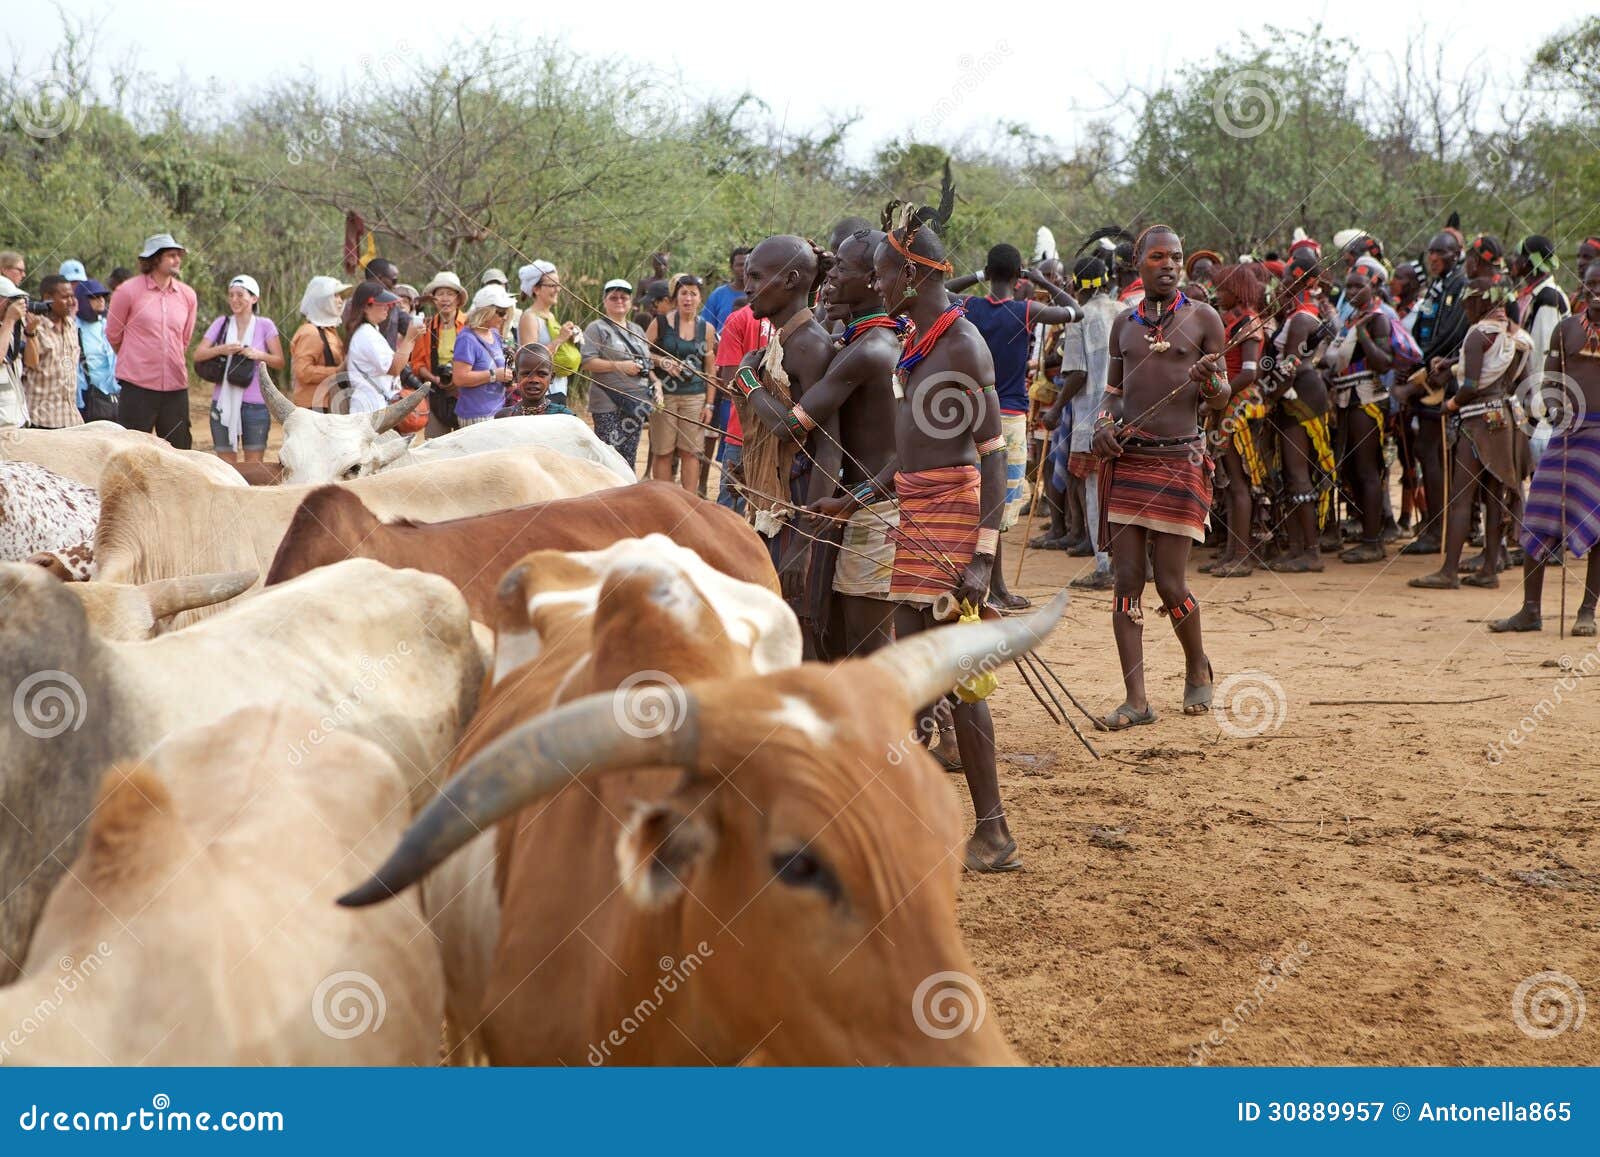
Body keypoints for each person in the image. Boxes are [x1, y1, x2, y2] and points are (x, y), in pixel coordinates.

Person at [859, 181, 1019, 871]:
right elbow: (914, 446)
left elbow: (993, 454)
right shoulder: (916, 343)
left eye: (883, 273)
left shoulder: (963, 346)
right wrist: (863, 496)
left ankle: (994, 832)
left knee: (958, 678)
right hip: (916, 510)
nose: (876, 284)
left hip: (953, 520)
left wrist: (982, 556)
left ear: (913, 274)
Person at [1092, 225, 1228, 730]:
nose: (1168, 264)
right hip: (1130, 461)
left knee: (1170, 583)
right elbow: (1112, 395)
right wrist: (1102, 425)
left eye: (1175, 256)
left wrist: (1209, 380)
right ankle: (1137, 700)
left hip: (1181, 461)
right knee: (1127, 581)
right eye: (1157, 257)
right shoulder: (1123, 325)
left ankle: (1197, 666)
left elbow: (1221, 397)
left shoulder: (1203, 318)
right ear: (1139, 262)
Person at [755, 226, 903, 657]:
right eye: (832, 265)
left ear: (874, 279)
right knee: (838, 640)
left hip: (874, 508)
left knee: (862, 649)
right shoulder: (855, 338)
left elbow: (794, 427)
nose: (832, 274)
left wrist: (747, 381)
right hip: (855, 502)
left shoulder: (868, 348)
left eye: (842, 267)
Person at [947, 243, 1082, 609]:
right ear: (1018, 276)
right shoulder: (1026, 310)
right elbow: (1075, 310)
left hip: (973, 415)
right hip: (1009, 417)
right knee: (1000, 507)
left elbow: (940, 290)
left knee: (980, 502)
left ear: (990, 273)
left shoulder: (971, 306)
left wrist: (978, 275)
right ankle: (996, 590)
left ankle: (990, 586)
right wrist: (1042, 280)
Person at [1490, 261, 1600, 636]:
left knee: (1598, 525)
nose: (1597, 290)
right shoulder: (1566, 329)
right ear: (1582, 287)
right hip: (1568, 432)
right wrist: (1555, 408)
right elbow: (1552, 380)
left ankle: (1587, 611)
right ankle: (1530, 610)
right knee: (1538, 518)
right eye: (1591, 283)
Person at [1409, 275, 1531, 590]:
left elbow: (1471, 386)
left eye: (1468, 303)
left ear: (1480, 301)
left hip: (1478, 420)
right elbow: (1506, 373)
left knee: (1461, 497)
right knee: (1494, 496)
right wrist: (1453, 363)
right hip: (1505, 418)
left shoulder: (1477, 334)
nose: (1465, 309)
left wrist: (1449, 405)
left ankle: (1448, 571)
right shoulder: (1517, 336)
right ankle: (1489, 568)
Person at [1045, 255, 1121, 589]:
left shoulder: (1079, 317)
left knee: (1095, 490)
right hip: (1126, 413)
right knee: (1123, 490)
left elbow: (1076, 373)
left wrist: (1055, 409)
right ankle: (1137, 563)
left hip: (1093, 417)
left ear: (1077, 284)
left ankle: (1105, 566)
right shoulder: (1124, 310)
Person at [1260, 245, 1336, 572]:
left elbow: (1288, 367)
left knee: (1297, 471)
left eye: (1288, 278)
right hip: (1292, 394)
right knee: (1290, 473)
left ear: (1302, 280)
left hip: (1300, 395)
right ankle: (1295, 548)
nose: (1282, 283)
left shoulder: (1304, 317)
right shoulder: (1297, 314)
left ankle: (1311, 553)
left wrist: (1266, 397)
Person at [1398, 230, 1469, 554]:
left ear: (1456, 254)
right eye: (1431, 253)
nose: (1433, 258)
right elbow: (1420, 328)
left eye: (1439, 253)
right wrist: (1413, 360)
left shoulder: (1459, 284)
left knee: (1431, 449)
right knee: (1428, 451)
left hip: (1443, 379)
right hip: (1426, 372)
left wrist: (1425, 367)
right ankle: (1434, 524)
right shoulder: (1437, 286)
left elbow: (1453, 333)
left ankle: (1438, 529)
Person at [1321, 258, 1393, 562]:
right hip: (1346, 399)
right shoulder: (1353, 318)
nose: (1350, 291)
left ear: (1373, 287)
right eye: (1348, 286)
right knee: (1351, 469)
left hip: (1366, 399)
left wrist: (1363, 335)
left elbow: (1384, 362)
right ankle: (1368, 533)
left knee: (1366, 469)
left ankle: (1373, 541)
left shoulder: (1376, 319)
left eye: (1357, 286)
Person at [1198, 263, 1265, 577]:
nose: (1217, 294)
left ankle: (1241, 556)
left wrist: (1218, 397)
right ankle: (1230, 553)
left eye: (1222, 289)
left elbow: (1249, 373)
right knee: (1230, 484)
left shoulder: (1249, 323)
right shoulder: (1235, 321)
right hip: (1228, 402)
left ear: (1236, 291)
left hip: (1238, 407)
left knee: (1239, 483)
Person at [107, 233, 198, 447]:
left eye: (179, 255)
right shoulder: (127, 291)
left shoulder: (188, 295)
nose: (177, 260)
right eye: (172, 255)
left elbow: (184, 339)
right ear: (155, 259)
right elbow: (113, 334)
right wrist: (136, 359)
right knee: (132, 450)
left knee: (179, 449)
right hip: (137, 386)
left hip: (175, 385)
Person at [193, 274, 285, 462]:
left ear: (254, 298)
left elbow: (279, 361)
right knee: (226, 465)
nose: (234, 299)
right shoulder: (221, 323)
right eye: (231, 295)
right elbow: (198, 354)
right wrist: (222, 349)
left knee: (254, 464)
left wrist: (258, 355)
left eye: (240, 295)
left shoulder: (265, 325)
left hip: (256, 405)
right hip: (222, 403)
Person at [644, 273, 716, 493]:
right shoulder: (660, 323)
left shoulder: (706, 329)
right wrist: (662, 361)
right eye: (684, 293)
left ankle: (689, 502)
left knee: (691, 452)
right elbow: (641, 352)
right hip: (664, 396)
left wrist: (709, 404)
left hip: (695, 397)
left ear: (700, 298)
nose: (688, 298)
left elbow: (710, 369)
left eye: (693, 294)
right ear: (675, 297)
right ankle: (665, 501)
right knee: (663, 451)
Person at [581, 277, 653, 471]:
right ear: (604, 301)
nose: (619, 301)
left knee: (629, 456)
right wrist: (620, 366)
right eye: (614, 297)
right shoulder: (596, 328)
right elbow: (586, 362)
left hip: (635, 401)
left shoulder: (637, 330)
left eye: (624, 297)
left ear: (630, 302)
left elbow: (647, 362)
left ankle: (628, 490)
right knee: (608, 456)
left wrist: (657, 384)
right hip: (607, 401)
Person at [344, 280, 420, 415]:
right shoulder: (366, 334)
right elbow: (394, 368)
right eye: (382, 303)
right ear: (366, 307)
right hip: (369, 409)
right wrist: (409, 338)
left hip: (373, 407)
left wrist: (411, 338)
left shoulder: (370, 331)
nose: (388, 307)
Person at [518, 261, 584, 411]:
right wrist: (560, 339)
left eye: (558, 285)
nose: (558, 290)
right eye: (552, 285)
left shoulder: (550, 316)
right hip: (541, 394)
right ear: (536, 289)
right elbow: (529, 361)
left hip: (558, 389)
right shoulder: (530, 317)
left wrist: (570, 338)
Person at [20, 273, 83, 428]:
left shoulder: (71, 326)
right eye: (65, 297)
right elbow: (30, 364)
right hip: (41, 420)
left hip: (70, 419)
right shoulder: (32, 327)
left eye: (72, 296)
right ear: (48, 298)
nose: (71, 301)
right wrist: (30, 333)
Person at [411, 272, 469, 435]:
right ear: (434, 299)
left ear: (458, 299)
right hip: (436, 393)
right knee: (435, 442)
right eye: (440, 294)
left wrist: (459, 377)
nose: (445, 299)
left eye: (450, 294)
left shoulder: (469, 324)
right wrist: (434, 378)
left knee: (465, 441)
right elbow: (417, 364)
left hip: (466, 393)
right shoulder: (426, 326)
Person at [450, 283, 515, 426]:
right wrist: (494, 375)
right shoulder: (467, 338)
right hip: (476, 414)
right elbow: (459, 378)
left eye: (506, 312)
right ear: (486, 312)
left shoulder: (494, 334)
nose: (505, 317)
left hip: (498, 410)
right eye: (501, 312)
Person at [290, 276, 349, 411]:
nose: (340, 301)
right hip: (313, 408)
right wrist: (337, 371)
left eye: (340, 296)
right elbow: (303, 372)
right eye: (335, 296)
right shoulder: (310, 332)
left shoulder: (329, 330)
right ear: (321, 300)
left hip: (326, 405)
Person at [74, 277, 118, 422]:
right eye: (94, 297)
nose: (101, 300)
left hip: (113, 396)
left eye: (103, 296)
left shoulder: (109, 324)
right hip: (87, 397)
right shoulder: (73, 327)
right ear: (81, 300)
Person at [495, 343, 572, 418]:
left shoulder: (563, 417)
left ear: (551, 378)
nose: (534, 380)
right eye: (526, 373)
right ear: (515, 376)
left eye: (542, 374)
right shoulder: (505, 417)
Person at [701, 247, 750, 333]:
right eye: (739, 265)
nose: (743, 269)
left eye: (747, 265)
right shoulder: (717, 295)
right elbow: (705, 328)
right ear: (731, 267)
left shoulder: (760, 294)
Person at [0, 277, 28, 427]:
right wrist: (9, 320)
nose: (13, 304)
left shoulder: (7, 329)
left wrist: (31, 332)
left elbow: (32, 363)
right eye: (10, 300)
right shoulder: (7, 326)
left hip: (15, 418)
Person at [480, 268, 520, 341]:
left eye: (498, 283)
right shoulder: (474, 315)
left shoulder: (518, 315)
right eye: (491, 284)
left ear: (505, 286)